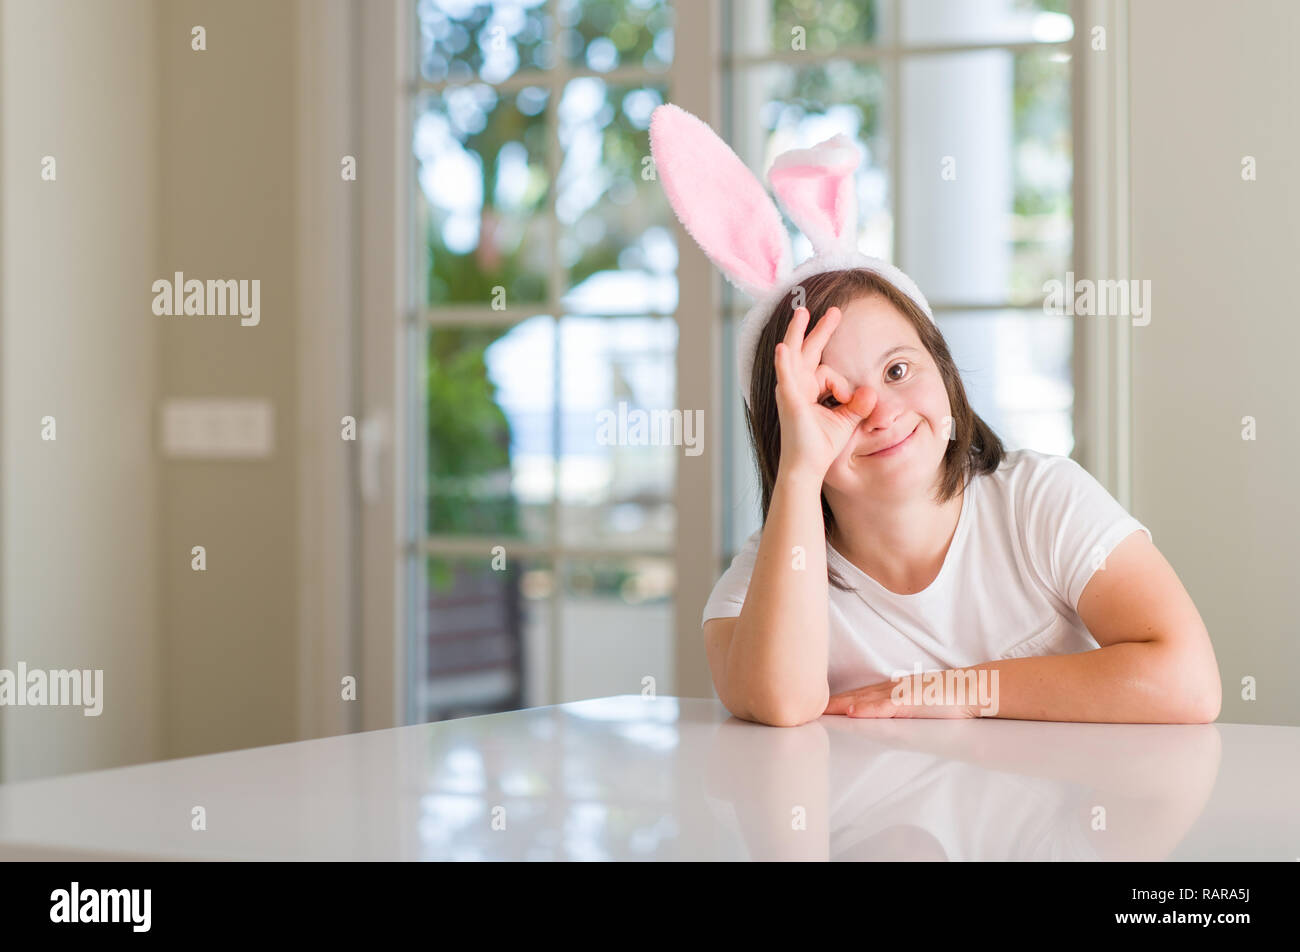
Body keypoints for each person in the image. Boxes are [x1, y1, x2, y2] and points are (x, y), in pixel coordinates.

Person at [647, 102, 1220, 727]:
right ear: (783, 429)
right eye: (831, 399)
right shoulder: (767, 575)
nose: (877, 410)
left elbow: (1186, 682)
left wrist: (942, 690)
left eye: (898, 370)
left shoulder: (1040, 502)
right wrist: (800, 473)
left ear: (943, 372)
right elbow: (780, 703)